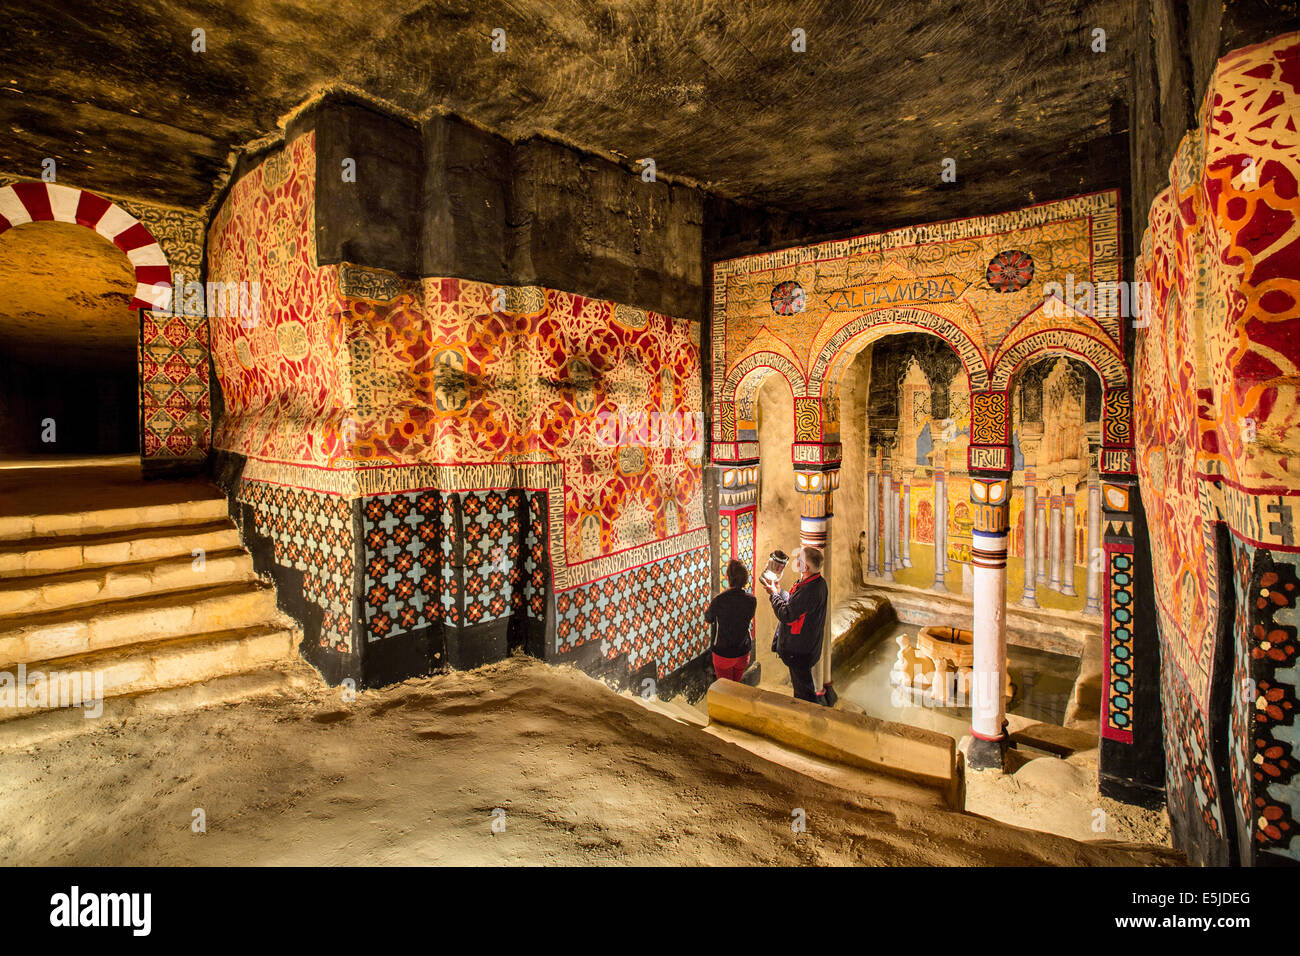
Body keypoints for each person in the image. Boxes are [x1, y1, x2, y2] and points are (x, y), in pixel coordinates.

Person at [763, 546, 829, 705]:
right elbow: (796, 604)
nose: (795, 562)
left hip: (799, 650)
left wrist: (773, 595)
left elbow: (787, 614)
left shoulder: (809, 590)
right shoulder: (817, 583)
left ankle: (807, 718)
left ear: (805, 567)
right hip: (806, 647)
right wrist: (780, 591)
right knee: (802, 684)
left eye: (799, 560)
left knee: (804, 693)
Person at [704, 558, 757, 683]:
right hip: (743, 652)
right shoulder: (752, 600)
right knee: (736, 685)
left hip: (724, 653)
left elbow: (708, 618)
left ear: (727, 577)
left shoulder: (719, 600)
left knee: (725, 689)